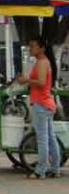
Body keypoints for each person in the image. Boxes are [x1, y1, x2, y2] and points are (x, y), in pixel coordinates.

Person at [17, 36, 61, 179]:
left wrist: (26, 80)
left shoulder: (42, 62)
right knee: (50, 138)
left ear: (42, 48)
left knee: (43, 138)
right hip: (46, 103)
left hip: (42, 104)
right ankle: (54, 168)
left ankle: (41, 170)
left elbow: (41, 82)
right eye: (30, 46)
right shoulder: (43, 62)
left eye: (33, 46)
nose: (31, 49)